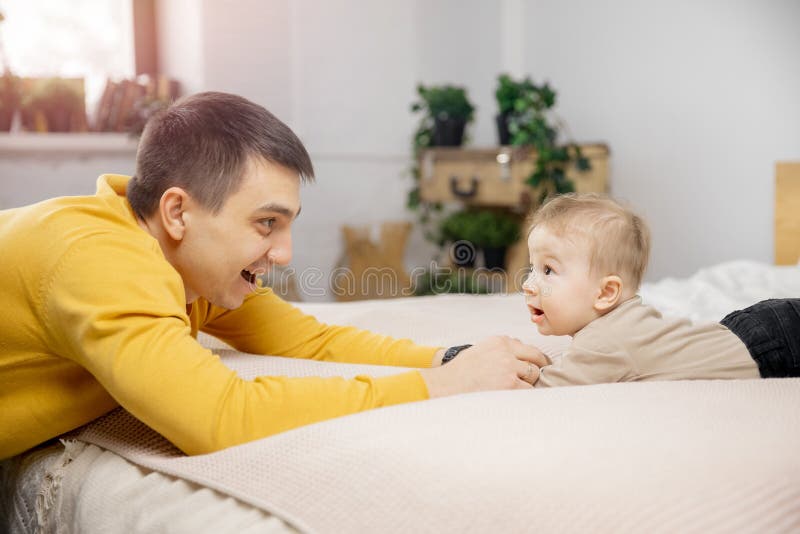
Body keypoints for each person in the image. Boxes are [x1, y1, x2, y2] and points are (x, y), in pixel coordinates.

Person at [0, 92, 547, 460]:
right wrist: (445, 386)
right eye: (266, 223)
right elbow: (219, 417)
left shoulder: (189, 265)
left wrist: (449, 357)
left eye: (287, 225)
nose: (284, 254)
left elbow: (308, 340)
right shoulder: (100, 262)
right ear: (177, 212)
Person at [522, 193, 800, 388]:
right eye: (532, 268)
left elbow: (540, 389)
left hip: (775, 345)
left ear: (606, 293)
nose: (527, 284)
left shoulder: (605, 343)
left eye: (548, 270)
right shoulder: (615, 329)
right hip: (757, 329)